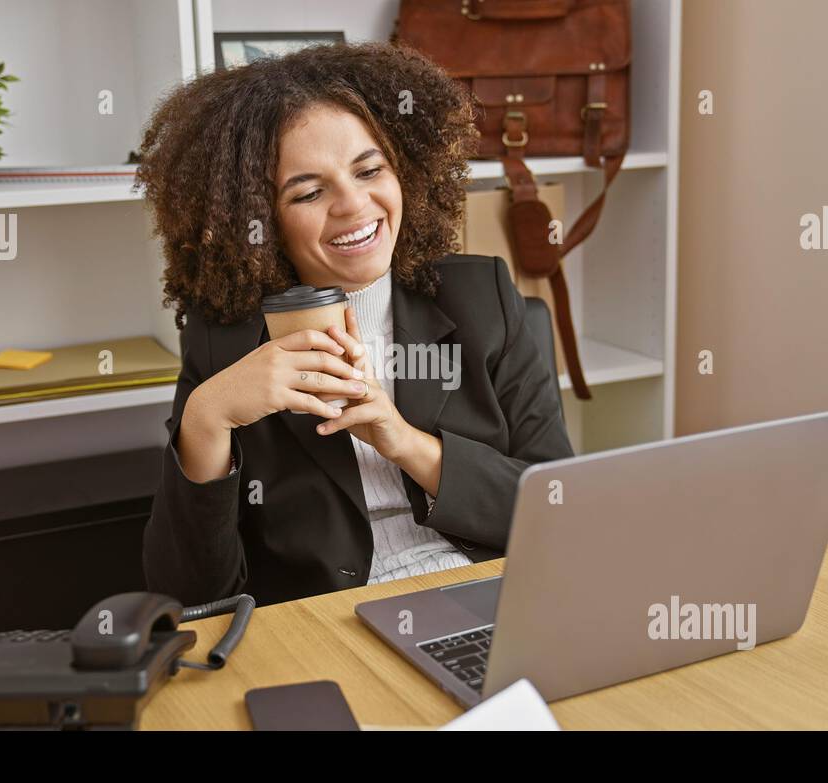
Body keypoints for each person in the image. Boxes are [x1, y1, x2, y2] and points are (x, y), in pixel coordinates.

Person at [138, 42, 573, 607]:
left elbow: (561, 512)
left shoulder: (481, 297)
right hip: (325, 626)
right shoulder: (224, 339)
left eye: (369, 170)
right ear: (262, 219)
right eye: (309, 191)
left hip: (489, 595)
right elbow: (189, 597)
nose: (353, 204)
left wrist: (407, 445)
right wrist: (206, 418)